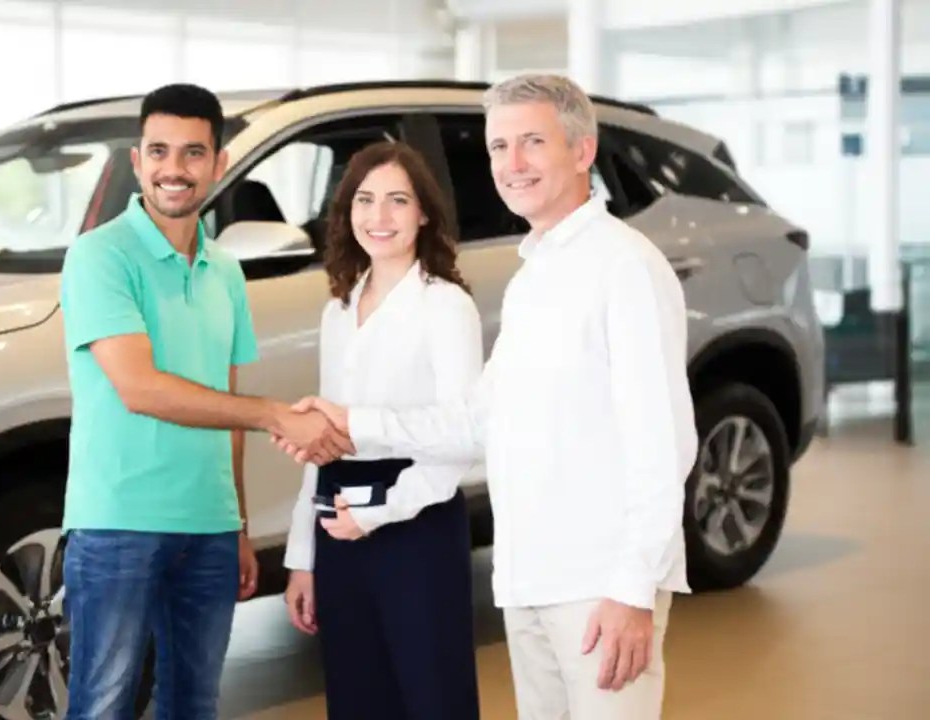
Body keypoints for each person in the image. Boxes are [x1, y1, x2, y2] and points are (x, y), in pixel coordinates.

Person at [278, 74, 699, 720]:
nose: (511, 163)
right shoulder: (535, 278)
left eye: (532, 142)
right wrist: (345, 421)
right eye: (499, 147)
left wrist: (634, 589)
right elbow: (477, 422)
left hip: (598, 586)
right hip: (529, 579)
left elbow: (663, 444)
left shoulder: (625, 267)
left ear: (582, 151)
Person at [58, 83, 352, 720]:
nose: (174, 169)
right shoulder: (99, 257)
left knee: (194, 705)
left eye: (193, 154)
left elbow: (227, 401)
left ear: (218, 165)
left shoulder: (224, 270)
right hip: (118, 526)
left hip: (208, 528)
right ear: (137, 162)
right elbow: (139, 388)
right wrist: (277, 414)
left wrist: (239, 524)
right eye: (159, 151)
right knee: (102, 707)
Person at [281, 141, 484, 720]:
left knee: (431, 699)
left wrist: (377, 513)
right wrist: (304, 556)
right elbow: (322, 443)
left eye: (398, 200)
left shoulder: (446, 307)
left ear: (425, 213)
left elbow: (461, 437)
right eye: (365, 200)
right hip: (338, 528)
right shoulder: (338, 308)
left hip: (416, 526)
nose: (380, 216)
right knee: (356, 698)